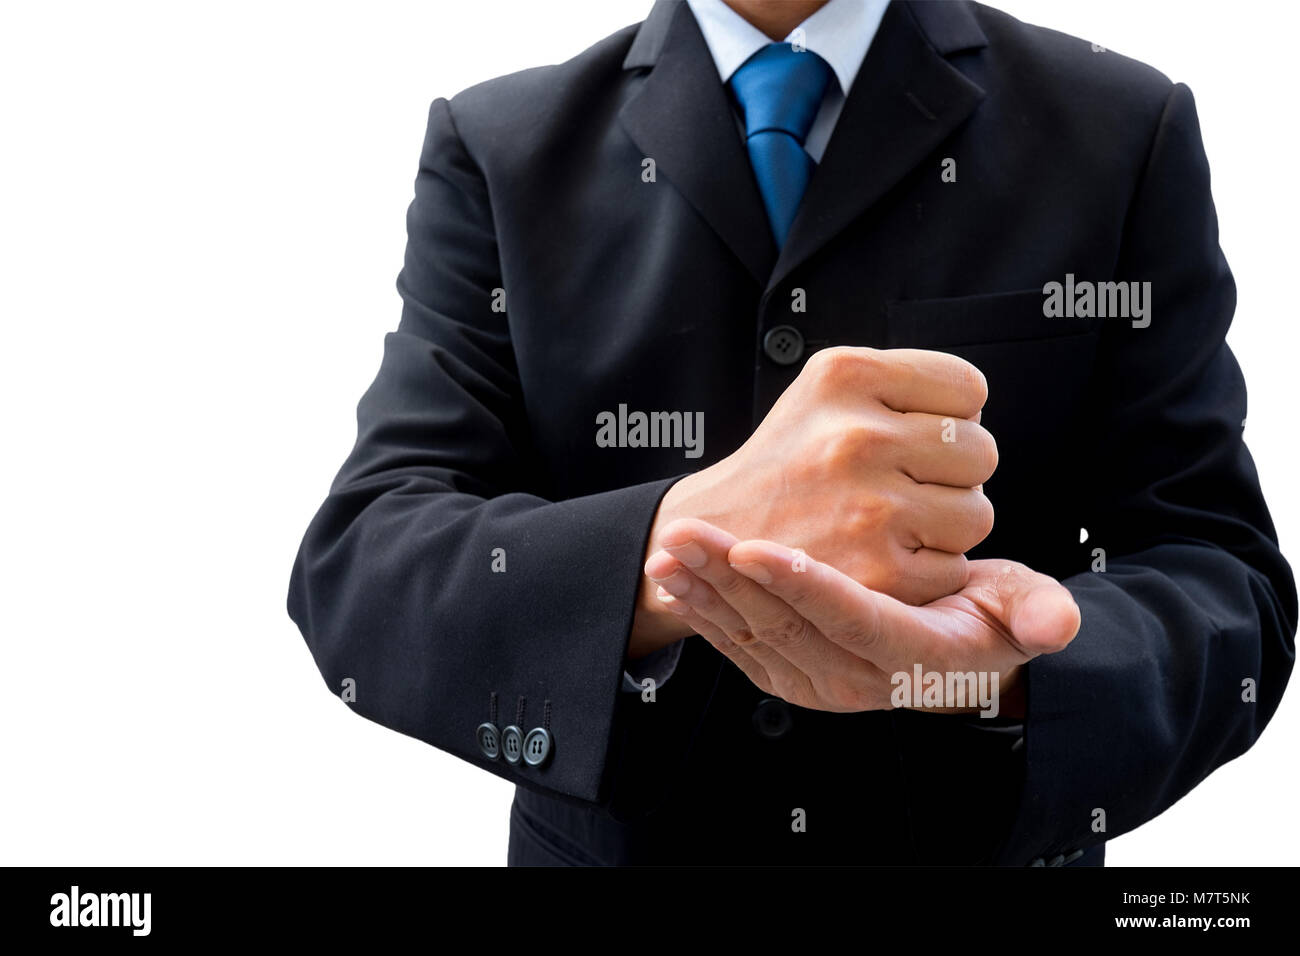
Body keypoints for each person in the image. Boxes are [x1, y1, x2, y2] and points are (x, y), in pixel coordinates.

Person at [287, 0, 1297, 865]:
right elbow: (367, 562)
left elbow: (1223, 581)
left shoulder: (1120, 128)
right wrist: (680, 539)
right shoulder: (498, 146)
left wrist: (1010, 674)